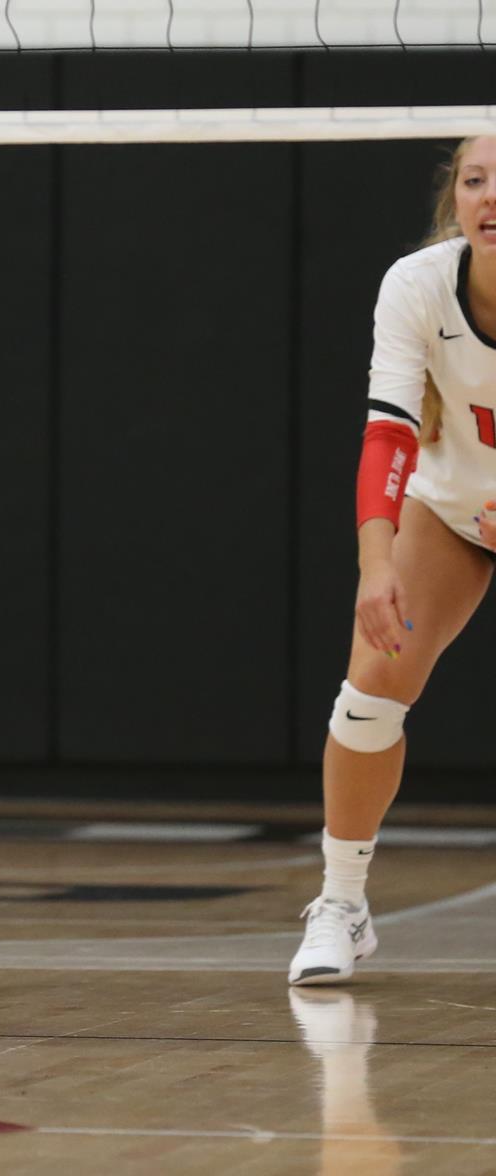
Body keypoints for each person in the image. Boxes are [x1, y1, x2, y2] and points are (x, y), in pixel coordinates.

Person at [289, 135, 496, 985]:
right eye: (476, 180)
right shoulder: (417, 284)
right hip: (453, 510)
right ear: (457, 198)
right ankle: (342, 903)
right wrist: (377, 567)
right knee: (370, 693)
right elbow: (388, 434)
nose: (492, 196)